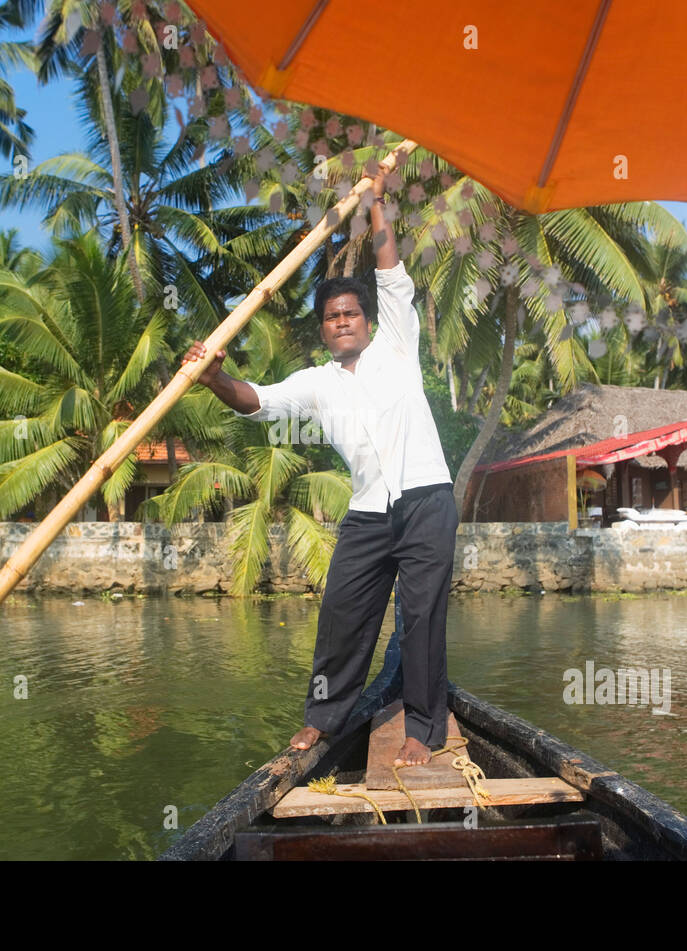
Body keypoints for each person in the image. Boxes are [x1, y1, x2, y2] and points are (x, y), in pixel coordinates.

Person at [180, 168, 457, 768]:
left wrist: (377, 201)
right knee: (342, 613)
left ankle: (425, 727)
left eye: (351, 313)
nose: (342, 322)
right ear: (323, 329)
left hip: (427, 499)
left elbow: (388, 266)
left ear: (367, 318)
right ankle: (323, 719)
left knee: (422, 616)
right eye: (331, 317)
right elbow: (256, 401)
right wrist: (214, 378)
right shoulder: (314, 382)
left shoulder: (397, 343)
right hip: (367, 512)